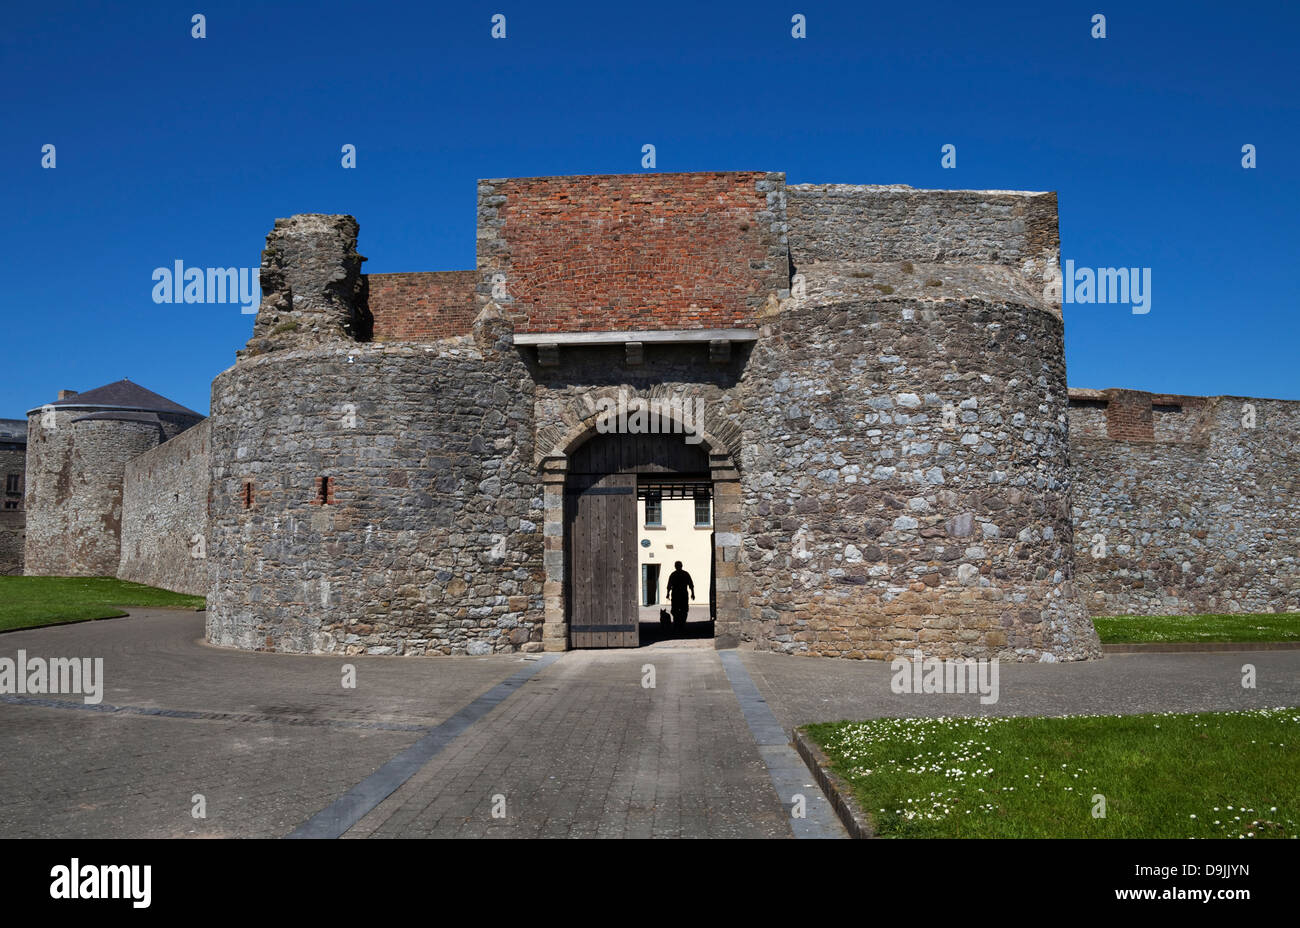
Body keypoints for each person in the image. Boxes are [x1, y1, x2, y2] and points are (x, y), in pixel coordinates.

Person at [665, 561, 694, 629]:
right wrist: (692, 593)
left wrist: (668, 594)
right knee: (683, 610)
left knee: (676, 610)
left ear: (675, 566)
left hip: (676, 594)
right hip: (683, 594)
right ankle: (681, 623)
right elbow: (691, 584)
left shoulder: (673, 574)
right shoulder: (685, 574)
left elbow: (669, 585)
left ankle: (677, 623)